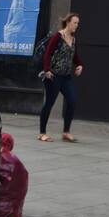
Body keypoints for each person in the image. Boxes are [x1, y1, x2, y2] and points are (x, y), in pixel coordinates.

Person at [39, 13, 84, 143]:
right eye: (75, 23)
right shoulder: (58, 37)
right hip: (53, 76)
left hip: (66, 77)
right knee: (49, 104)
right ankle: (42, 133)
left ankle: (66, 132)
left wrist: (80, 65)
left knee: (72, 101)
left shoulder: (73, 40)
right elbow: (47, 54)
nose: (77, 25)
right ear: (68, 23)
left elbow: (75, 56)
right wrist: (47, 70)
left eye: (78, 23)